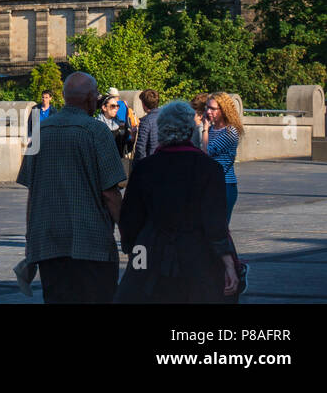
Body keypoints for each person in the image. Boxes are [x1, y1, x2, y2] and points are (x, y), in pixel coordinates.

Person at [16, 71, 126, 303]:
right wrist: (127, 232)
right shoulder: (97, 132)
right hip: (91, 242)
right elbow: (110, 193)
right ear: (89, 98)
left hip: (49, 242)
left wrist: (30, 239)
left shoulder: (40, 133)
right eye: (96, 94)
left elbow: (32, 192)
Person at [114, 101, 239, 303]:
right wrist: (228, 262)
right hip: (196, 253)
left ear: (162, 130)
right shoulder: (209, 168)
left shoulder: (145, 167)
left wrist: (135, 256)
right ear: (191, 131)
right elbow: (215, 222)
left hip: (150, 249)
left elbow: (130, 219)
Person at [203, 92, 243, 224]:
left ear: (224, 110)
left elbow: (207, 153)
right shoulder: (212, 129)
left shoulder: (230, 132)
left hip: (224, 184)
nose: (208, 111)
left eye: (213, 108)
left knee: (220, 228)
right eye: (207, 107)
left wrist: (204, 129)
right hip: (210, 183)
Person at [133, 89, 161, 161]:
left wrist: (138, 167)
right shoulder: (167, 116)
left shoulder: (145, 122)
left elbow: (140, 148)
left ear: (143, 104)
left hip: (151, 163)